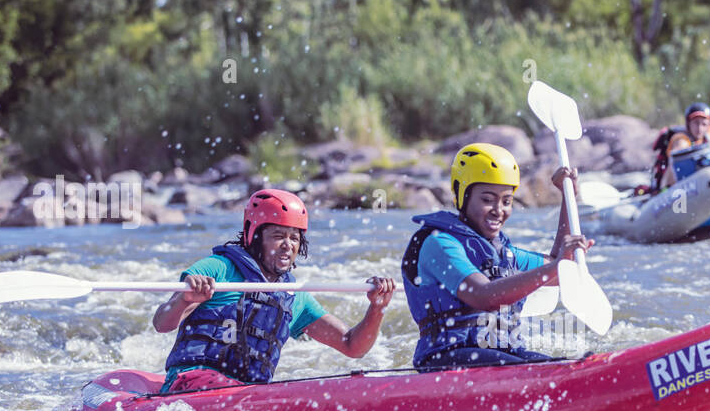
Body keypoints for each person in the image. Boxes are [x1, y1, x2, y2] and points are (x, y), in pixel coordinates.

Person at [153, 188, 396, 392]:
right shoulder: (217, 269)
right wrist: (184, 301)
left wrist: (377, 308)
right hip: (191, 384)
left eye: (294, 238)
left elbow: (353, 346)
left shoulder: (293, 295)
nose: (288, 246)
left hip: (248, 393)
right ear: (254, 236)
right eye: (278, 236)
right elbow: (162, 323)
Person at [401, 142, 593, 370]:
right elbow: (484, 296)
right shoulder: (439, 244)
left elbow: (562, 270)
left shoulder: (503, 253)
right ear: (462, 194)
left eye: (506, 201)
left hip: (503, 355)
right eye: (487, 199)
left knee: (562, 365)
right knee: (537, 369)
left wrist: (567, 198)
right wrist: (555, 266)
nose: (498, 209)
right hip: (446, 359)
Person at [649, 103, 710, 190]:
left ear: (708, 126)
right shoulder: (681, 140)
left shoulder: (708, 140)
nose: (700, 128)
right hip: (667, 188)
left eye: (704, 124)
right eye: (696, 123)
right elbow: (676, 166)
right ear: (688, 124)